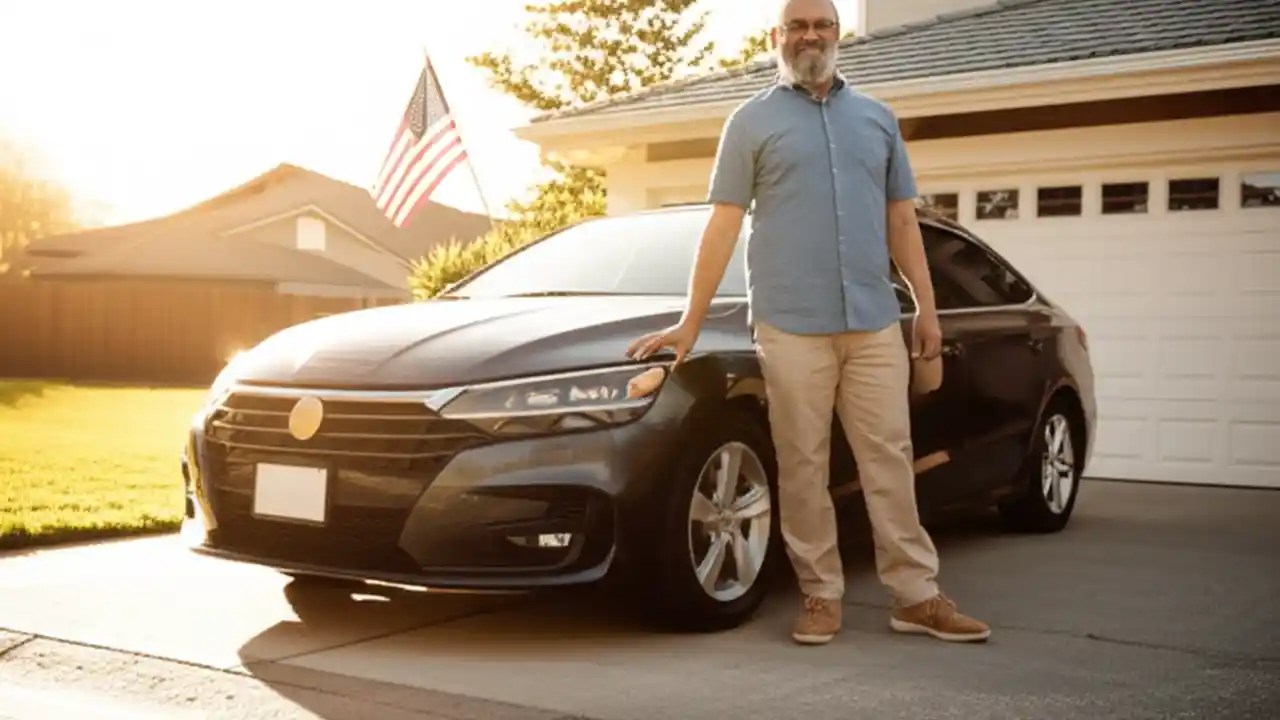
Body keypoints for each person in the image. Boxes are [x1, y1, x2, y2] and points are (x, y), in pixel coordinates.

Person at [626, 0, 990, 646]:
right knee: (802, 464)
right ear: (778, 38)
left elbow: (901, 222)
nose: (810, 36)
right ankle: (820, 595)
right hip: (791, 326)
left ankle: (916, 594)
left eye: (822, 25)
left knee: (889, 460)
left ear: (838, 35)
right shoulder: (750, 123)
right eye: (797, 26)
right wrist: (691, 321)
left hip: (875, 322)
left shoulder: (877, 121)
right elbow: (723, 225)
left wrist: (926, 309)